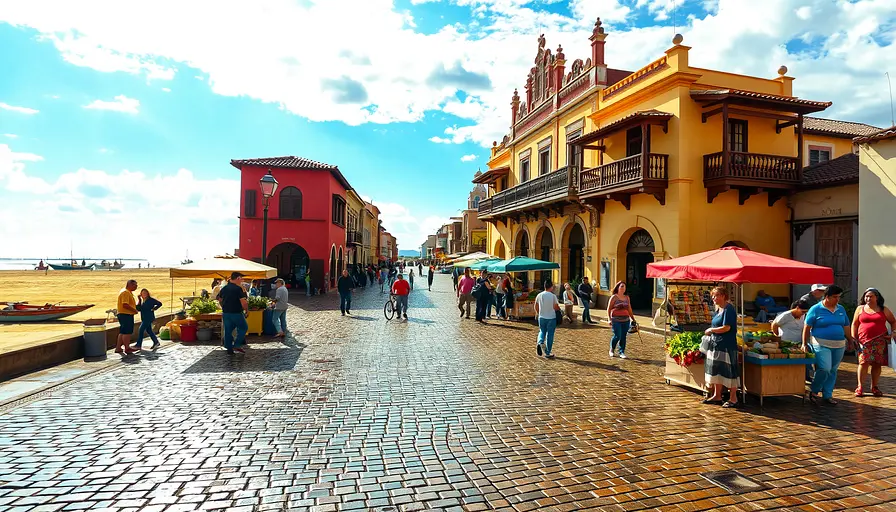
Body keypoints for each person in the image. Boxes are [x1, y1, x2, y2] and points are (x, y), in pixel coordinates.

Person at [802, 285, 853, 406]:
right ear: (827, 297)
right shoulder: (816, 309)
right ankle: (814, 390)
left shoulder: (840, 309)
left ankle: (828, 394)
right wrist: (804, 343)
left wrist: (850, 340)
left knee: (833, 370)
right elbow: (807, 327)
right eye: (835, 297)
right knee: (824, 368)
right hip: (821, 343)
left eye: (839, 297)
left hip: (839, 344)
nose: (837, 300)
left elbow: (846, 325)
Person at [851, 288, 896, 397]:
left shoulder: (883, 309)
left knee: (877, 363)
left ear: (877, 297)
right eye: (866, 296)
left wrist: (893, 333)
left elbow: (893, 321)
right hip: (864, 341)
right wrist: (853, 337)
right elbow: (854, 324)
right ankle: (860, 386)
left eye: (871, 296)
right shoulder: (860, 309)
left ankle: (874, 386)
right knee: (863, 362)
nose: (868, 298)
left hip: (880, 340)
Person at [703, 287, 740, 408]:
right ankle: (717, 395)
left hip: (726, 345)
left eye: (716, 295)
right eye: (713, 296)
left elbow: (726, 327)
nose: (714, 298)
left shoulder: (728, 309)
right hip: (716, 344)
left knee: (729, 370)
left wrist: (711, 330)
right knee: (717, 369)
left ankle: (733, 398)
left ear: (723, 296)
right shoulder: (718, 309)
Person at [218, 272, 249, 355]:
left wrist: (224, 307)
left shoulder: (224, 288)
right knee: (243, 327)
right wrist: (246, 310)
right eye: (241, 279)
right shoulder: (238, 289)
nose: (242, 281)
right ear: (238, 278)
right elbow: (244, 302)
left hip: (226, 313)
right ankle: (237, 345)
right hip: (236, 312)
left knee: (228, 330)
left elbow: (220, 300)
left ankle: (229, 348)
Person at [606, 281, 634, 358]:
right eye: (621, 286)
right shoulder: (614, 297)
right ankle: (612, 349)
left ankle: (621, 351)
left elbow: (629, 309)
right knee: (617, 335)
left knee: (623, 336)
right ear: (618, 287)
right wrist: (609, 319)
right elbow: (609, 309)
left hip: (626, 320)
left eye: (624, 287)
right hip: (616, 320)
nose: (623, 288)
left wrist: (633, 319)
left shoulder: (627, 297)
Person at [534, 279, 561, 358]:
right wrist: (560, 311)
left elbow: (536, 305)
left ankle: (540, 342)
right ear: (551, 287)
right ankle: (548, 352)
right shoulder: (553, 296)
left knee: (542, 331)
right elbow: (555, 307)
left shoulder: (539, 295)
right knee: (550, 334)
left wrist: (538, 313)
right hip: (551, 318)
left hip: (542, 317)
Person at [116, 279, 139, 354]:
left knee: (122, 332)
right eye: (135, 285)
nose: (136, 287)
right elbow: (125, 304)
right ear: (130, 285)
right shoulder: (125, 292)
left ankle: (118, 347)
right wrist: (134, 310)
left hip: (123, 314)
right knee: (127, 332)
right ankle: (127, 348)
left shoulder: (127, 292)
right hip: (126, 314)